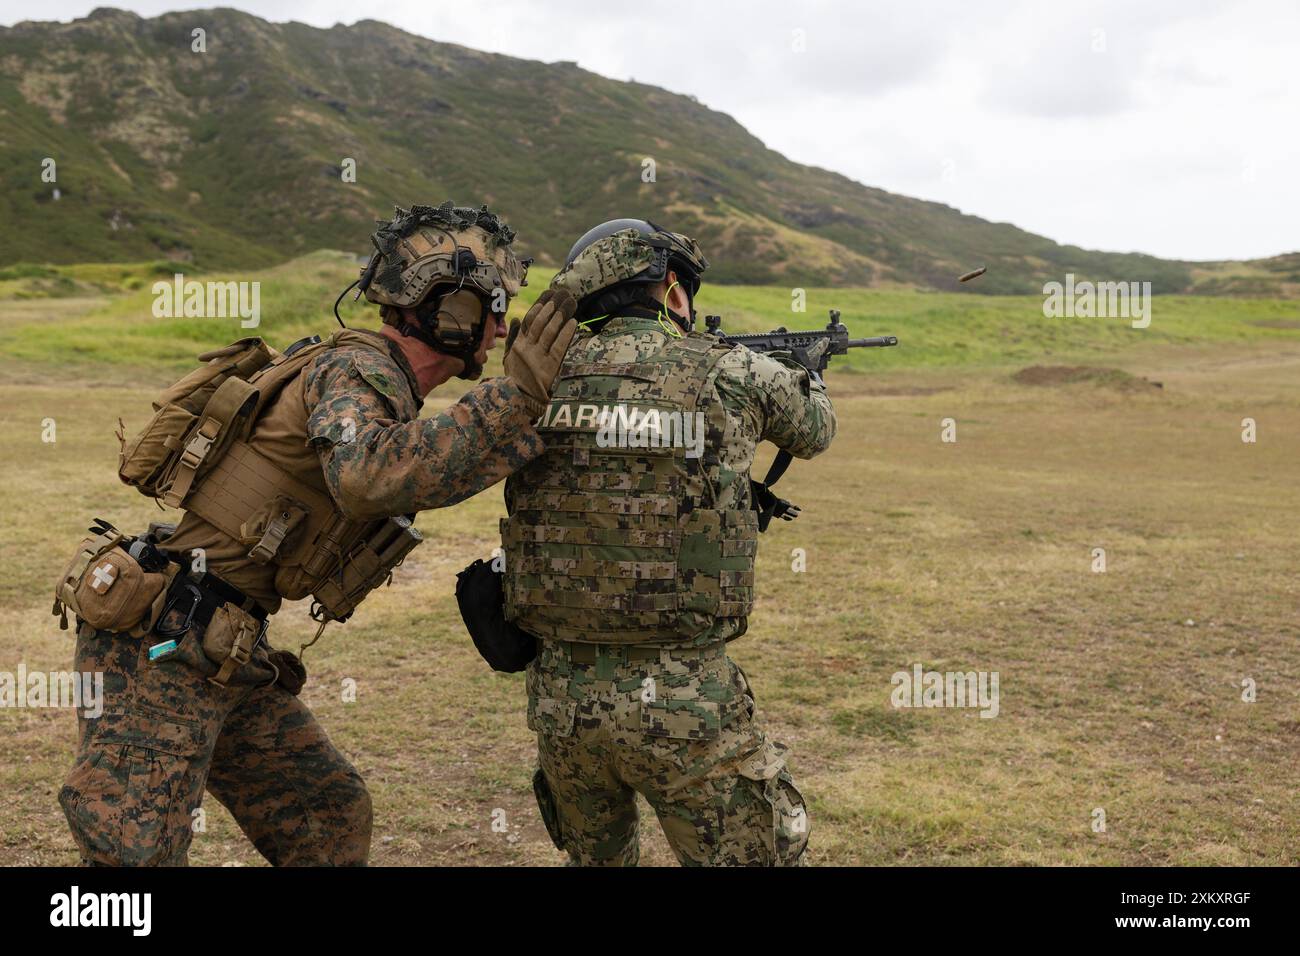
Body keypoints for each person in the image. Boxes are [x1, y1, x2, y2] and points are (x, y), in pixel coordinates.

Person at [55, 202, 576, 865]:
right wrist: (516, 397)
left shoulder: (379, 378)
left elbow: (425, 465)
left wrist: (531, 407)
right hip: (162, 649)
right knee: (135, 855)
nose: (502, 327)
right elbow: (368, 475)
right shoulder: (359, 369)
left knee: (325, 813)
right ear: (447, 308)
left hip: (220, 650)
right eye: (492, 307)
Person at [499, 218, 836, 866]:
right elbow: (815, 430)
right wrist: (806, 374)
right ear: (673, 290)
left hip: (561, 693)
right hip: (687, 696)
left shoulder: (535, 377)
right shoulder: (728, 370)